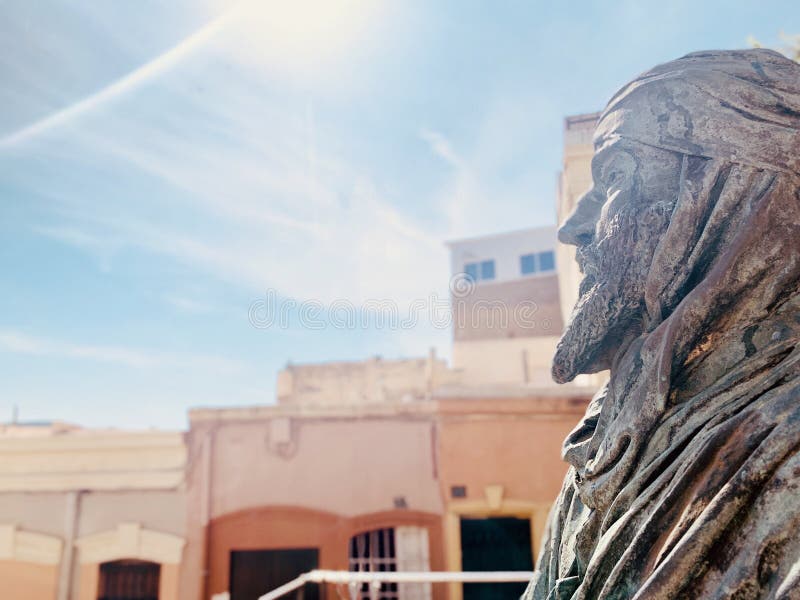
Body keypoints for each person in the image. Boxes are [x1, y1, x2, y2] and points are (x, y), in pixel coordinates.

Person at [526, 49, 800, 599]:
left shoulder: (784, 443)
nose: (573, 227)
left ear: (726, 196)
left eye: (615, 178)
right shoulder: (607, 440)